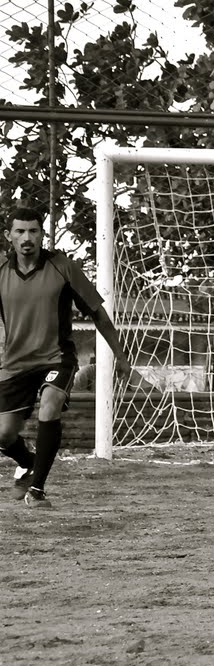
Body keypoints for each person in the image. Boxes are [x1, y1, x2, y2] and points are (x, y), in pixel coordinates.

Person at [0, 205, 136, 509]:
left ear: (41, 235)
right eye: (20, 231)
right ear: (8, 236)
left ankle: (36, 491)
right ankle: (29, 461)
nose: (27, 237)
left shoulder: (63, 267)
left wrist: (121, 358)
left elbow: (99, 315)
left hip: (56, 358)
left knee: (49, 408)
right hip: (14, 364)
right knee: (4, 434)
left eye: (34, 231)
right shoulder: (1, 272)